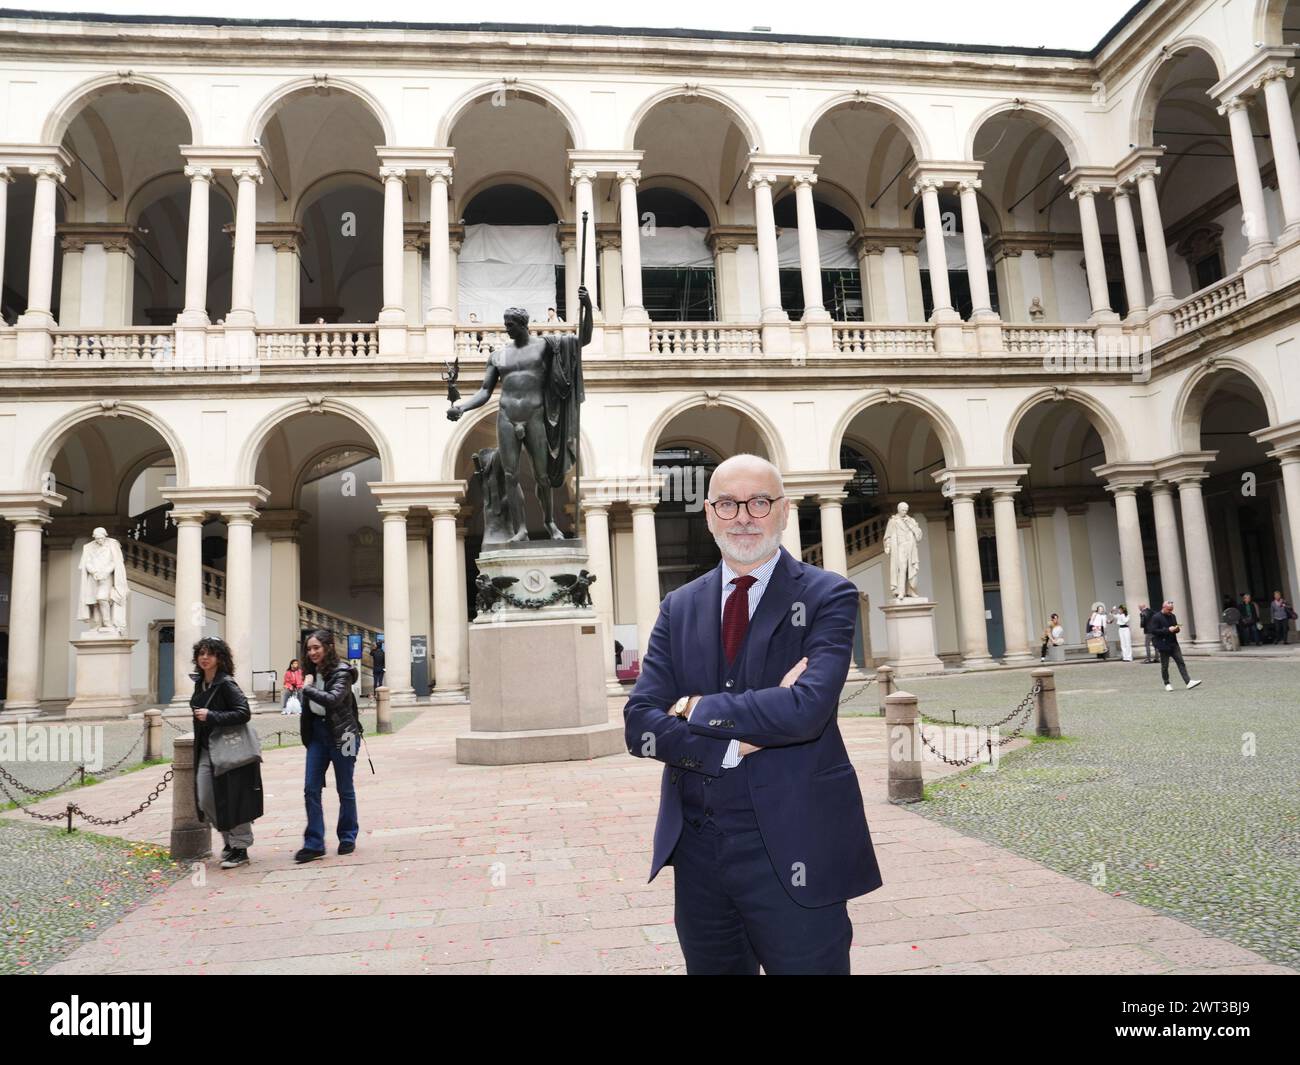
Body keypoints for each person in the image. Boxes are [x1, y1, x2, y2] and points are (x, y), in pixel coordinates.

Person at [624, 453, 881, 975]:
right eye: (727, 503)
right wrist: (739, 740)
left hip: (795, 845)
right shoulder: (679, 606)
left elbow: (806, 711)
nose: (743, 516)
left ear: (784, 511)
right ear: (709, 513)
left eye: (759, 502)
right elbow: (640, 724)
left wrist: (693, 707)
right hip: (698, 855)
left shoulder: (827, 594)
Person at [190, 636, 263, 869]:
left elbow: (243, 713)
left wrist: (212, 716)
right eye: (201, 653)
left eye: (210, 653)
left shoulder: (226, 683)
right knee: (206, 798)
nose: (204, 657)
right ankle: (229, 841)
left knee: (234, 796)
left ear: (220, 658)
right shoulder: (200, 683)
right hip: (206, 749)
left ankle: (240, 846)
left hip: (228, 749)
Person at [296, 629, 364, 863]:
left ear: (328, 647)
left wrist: (308, 688)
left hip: (343, 735)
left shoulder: (342, 672)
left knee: (345, 788)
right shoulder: (310, 673)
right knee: (310, 788)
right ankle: (314, 843)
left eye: (316, 647)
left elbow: (333, 699)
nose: (312, 652)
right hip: (317, 735)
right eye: (309, 648)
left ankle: (347, 836)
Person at [1148, 601, 1202, 693]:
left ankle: (1188, 682)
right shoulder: (1156, 617)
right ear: (1163, 607)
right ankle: (1167, 683)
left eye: (1172, 609)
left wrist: (1177, 629)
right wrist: (1167, 630)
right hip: (1163, 645)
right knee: (1165, 665)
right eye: (1169, 609)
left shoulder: (1172, 616)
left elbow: (1175, 628)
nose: (1170, 611)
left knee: (1181, 663)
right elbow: (1153, 631)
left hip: (1173, 643)